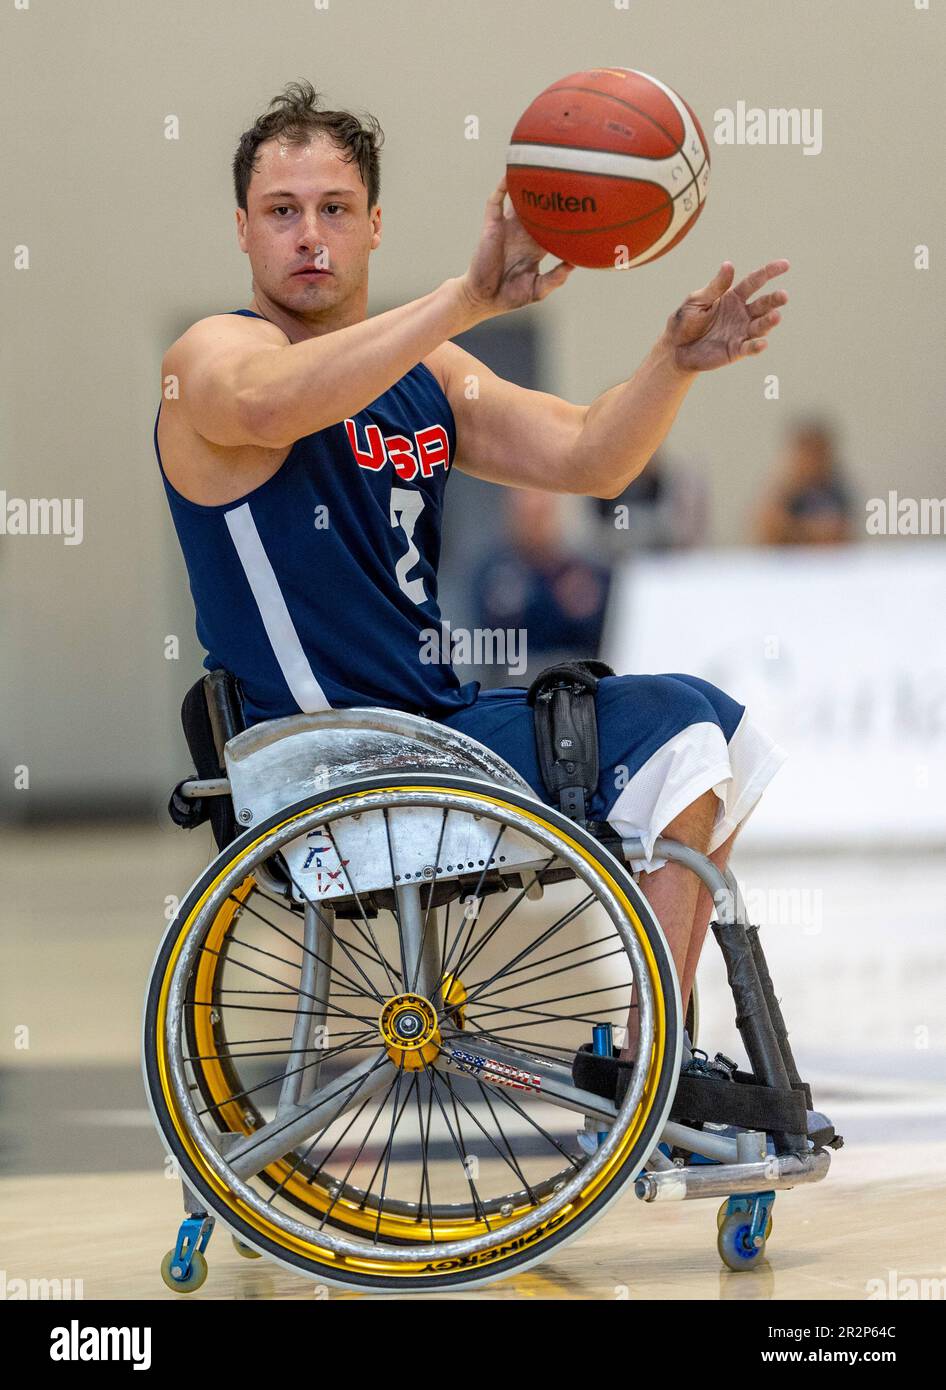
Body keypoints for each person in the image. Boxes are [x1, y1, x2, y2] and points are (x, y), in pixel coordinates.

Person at [154, 81, 791, 1067]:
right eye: (283, 213)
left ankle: (645, 1058)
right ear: (243, 230)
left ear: (374, 225)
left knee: (715, 725)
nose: (309, 237)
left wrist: (672, 363)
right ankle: (650, 1068)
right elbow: (273, 404)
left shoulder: (429, 377)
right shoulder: (215, 355)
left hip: (432, 733)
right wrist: (465, 296)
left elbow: (590, 456)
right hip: (327, 759)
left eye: (334, 210)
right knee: (683, 738)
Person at [471, 488, 612, 686]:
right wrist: (555, 603)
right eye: (526, 516)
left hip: (580, 679)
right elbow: (499, 637)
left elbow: (602, 633)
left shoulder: (584, 571)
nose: (535, 526)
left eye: (542, 515)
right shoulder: (495, 571)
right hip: (516, 682)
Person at [752, 418, 853, 545]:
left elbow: (836, 536)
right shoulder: (784, 489)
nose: (813, 461)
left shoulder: (836, 489)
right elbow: (768, 530)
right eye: (808, 453)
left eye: (819, 453)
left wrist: (796, 531)